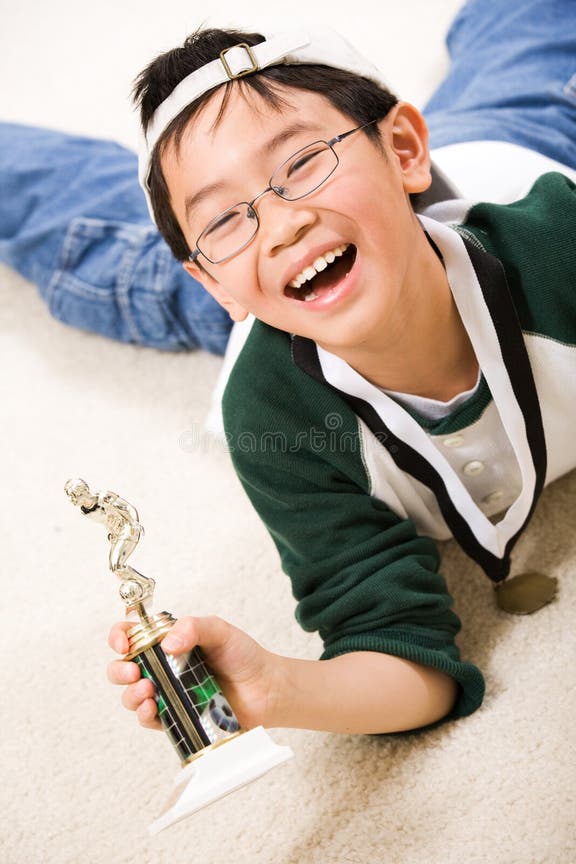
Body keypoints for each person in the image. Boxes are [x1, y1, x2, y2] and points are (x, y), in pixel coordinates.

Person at [4, 1, 575, 734]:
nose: (280, 223)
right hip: (297, 291)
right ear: (211, 283)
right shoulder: (273, 414)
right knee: (120, 255)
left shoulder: (559, 246)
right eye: (224, 217)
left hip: (522, 141)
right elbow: (406, 657)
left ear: (404, 152)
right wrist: (274, 689)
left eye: (302, 163)